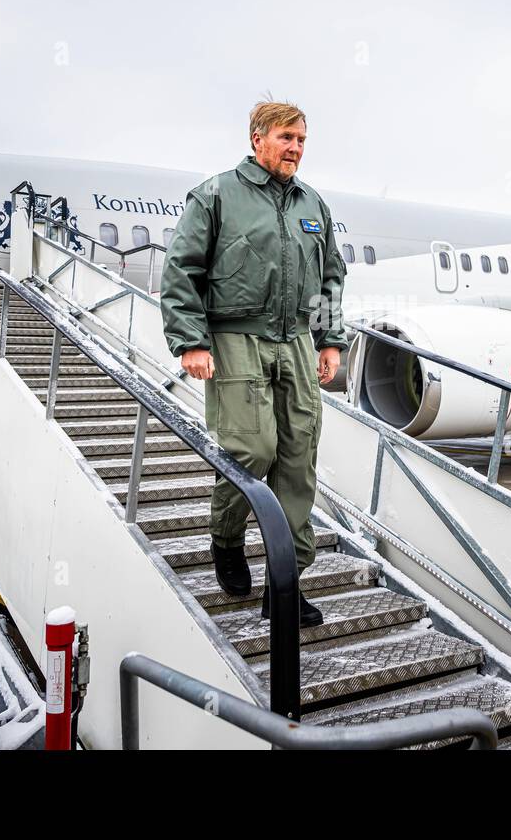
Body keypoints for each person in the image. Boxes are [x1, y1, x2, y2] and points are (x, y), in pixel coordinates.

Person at [160, 100, 348, 627]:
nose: (295, 147)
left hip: (296, 343)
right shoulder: (217, 194)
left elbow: (331, 276)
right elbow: (182, 268)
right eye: (286, 137)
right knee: (253, 448)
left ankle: (284, 585)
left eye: (302, 139)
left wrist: (330, 340)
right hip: (235, 335)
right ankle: (225, 537)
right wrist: (191, 341)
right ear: (257, 138)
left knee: (297, 459)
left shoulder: (313, 204)